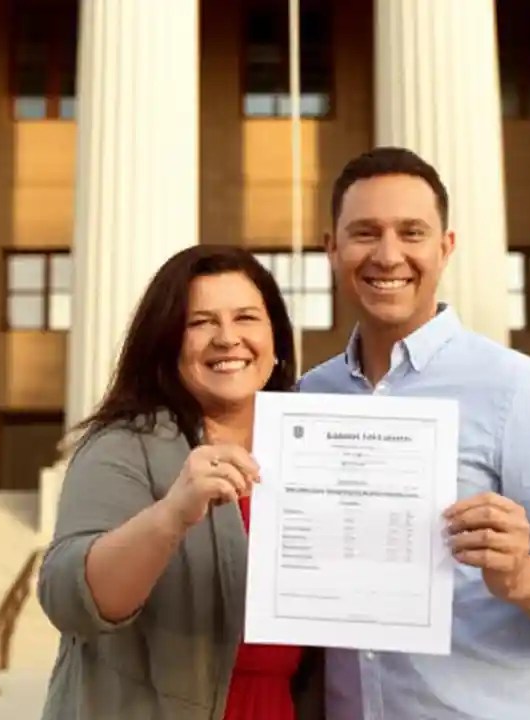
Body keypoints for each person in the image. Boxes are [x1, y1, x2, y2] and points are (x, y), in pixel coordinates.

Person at [298, 146, 530, 719]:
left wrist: (521, 575)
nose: (388, 255)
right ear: (332, 247)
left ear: (444, 247)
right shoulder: (308, 400)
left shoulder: (516, 388)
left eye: (411, 232)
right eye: (364, 233)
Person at [37, 244, 323, 719]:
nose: (227, 338)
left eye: (247, 318)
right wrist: (171, 515)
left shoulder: (311, 447)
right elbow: (70, 599)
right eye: (200, 322)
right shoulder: (123, 446)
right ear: (167, 343)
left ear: (276, 342)